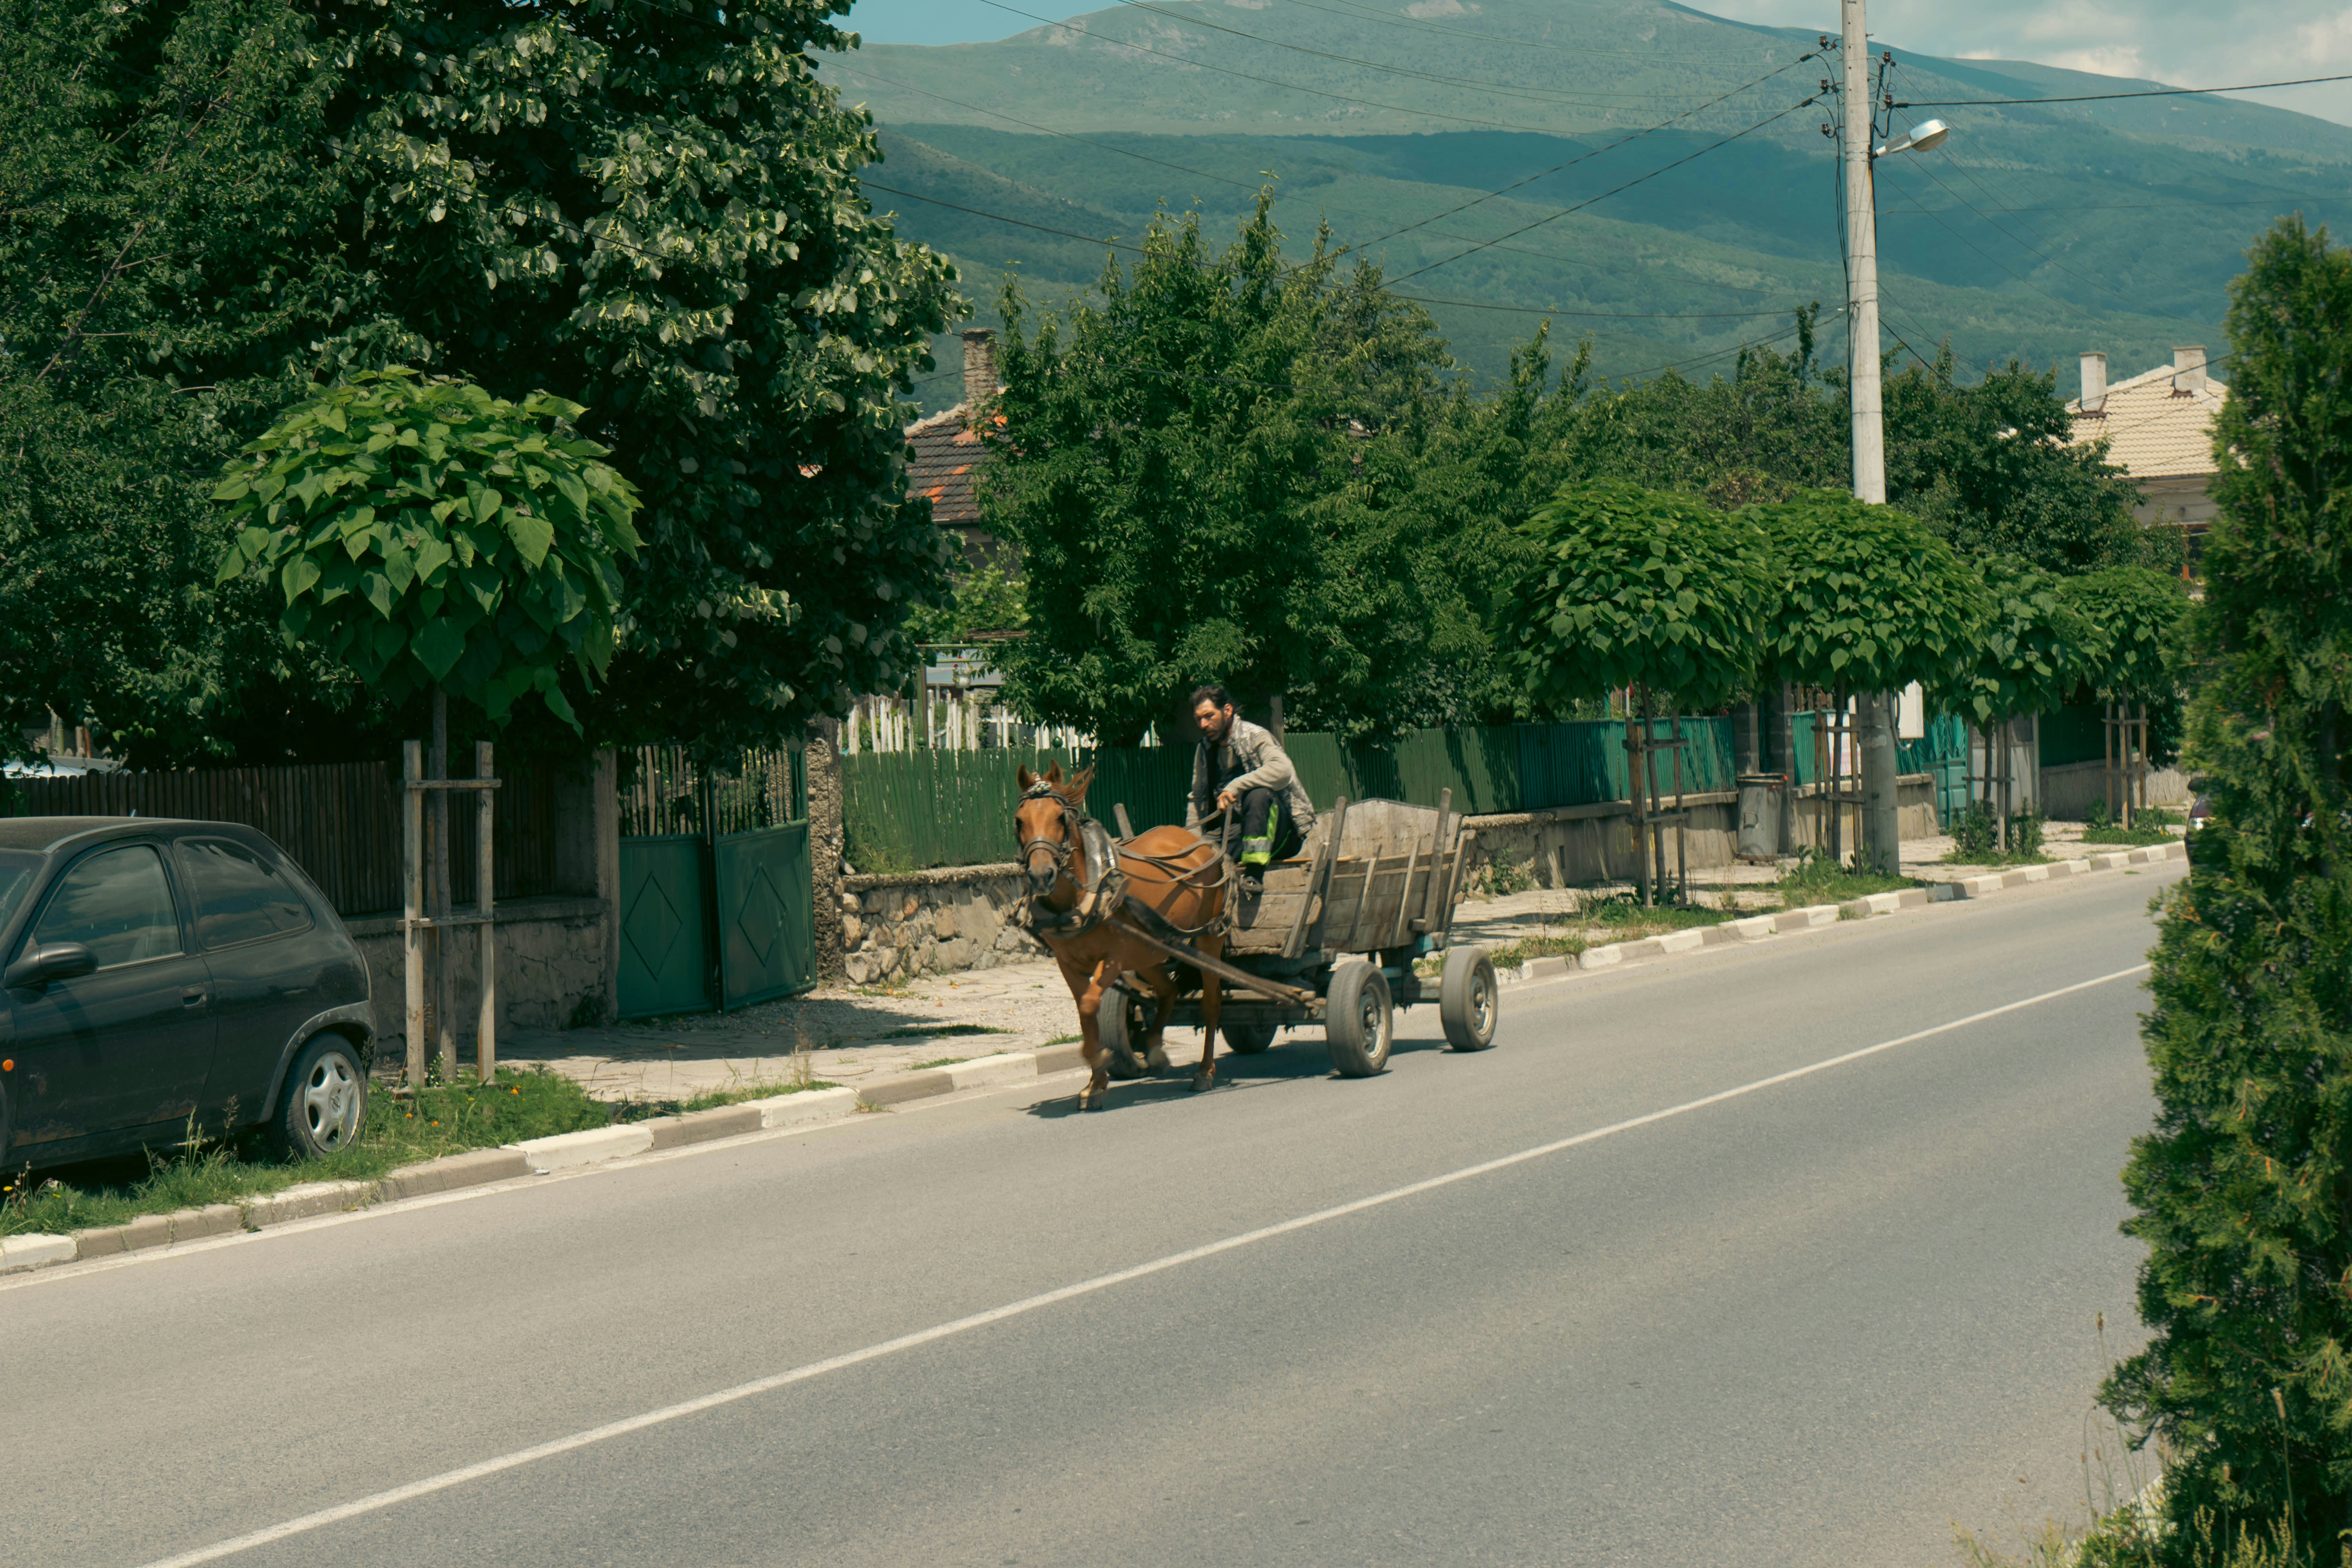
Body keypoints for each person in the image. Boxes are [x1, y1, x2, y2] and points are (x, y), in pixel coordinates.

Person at [1185, 684, 1316, 891]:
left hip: (1279, 834)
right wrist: (1191, 845)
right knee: (1196, 859)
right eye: (1199, 719)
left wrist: (1235, 786)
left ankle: (1254, 875)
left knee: (1258, 795)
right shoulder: (1204, 749)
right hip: (1234, 833)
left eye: (1209, 716)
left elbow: (1283, 771)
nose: (1203, 724)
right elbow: (1198, 798)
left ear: (1227, 711)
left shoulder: (1254, 736)